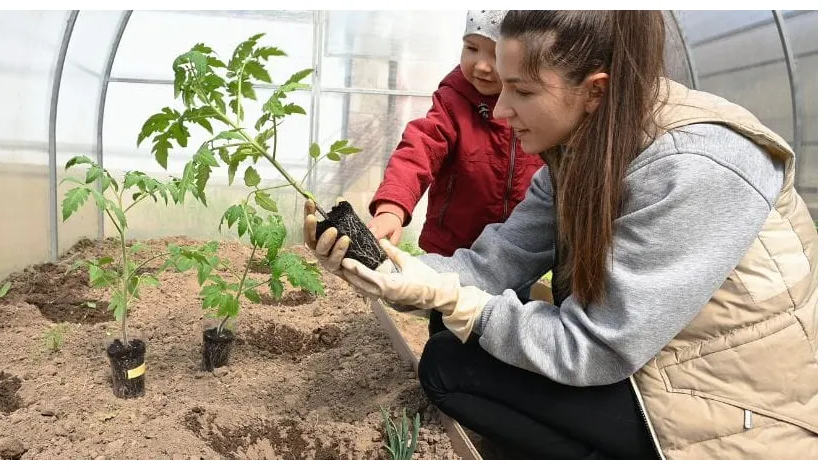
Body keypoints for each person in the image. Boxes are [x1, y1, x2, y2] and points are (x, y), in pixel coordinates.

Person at [305, 10, 817, 460]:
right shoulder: (575, 154)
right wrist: (381, 263)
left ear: (595, 89)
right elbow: (493, 265)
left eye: (522, 91)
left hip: (735, 411)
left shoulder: (697, 166)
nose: (501, 110)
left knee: (456, 365)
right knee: (451, 361)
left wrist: (456, 301)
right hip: (650, 362)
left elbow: (593, 346)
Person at [367, 10, 543, 336]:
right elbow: (418, 151)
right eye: (472, 48)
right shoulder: (452, 102)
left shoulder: (538, 110)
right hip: (451, 252)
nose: (482, 65)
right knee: (446, 332)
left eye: (495, 53)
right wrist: (392, 207)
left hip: (513, 256)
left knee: (503, 331)